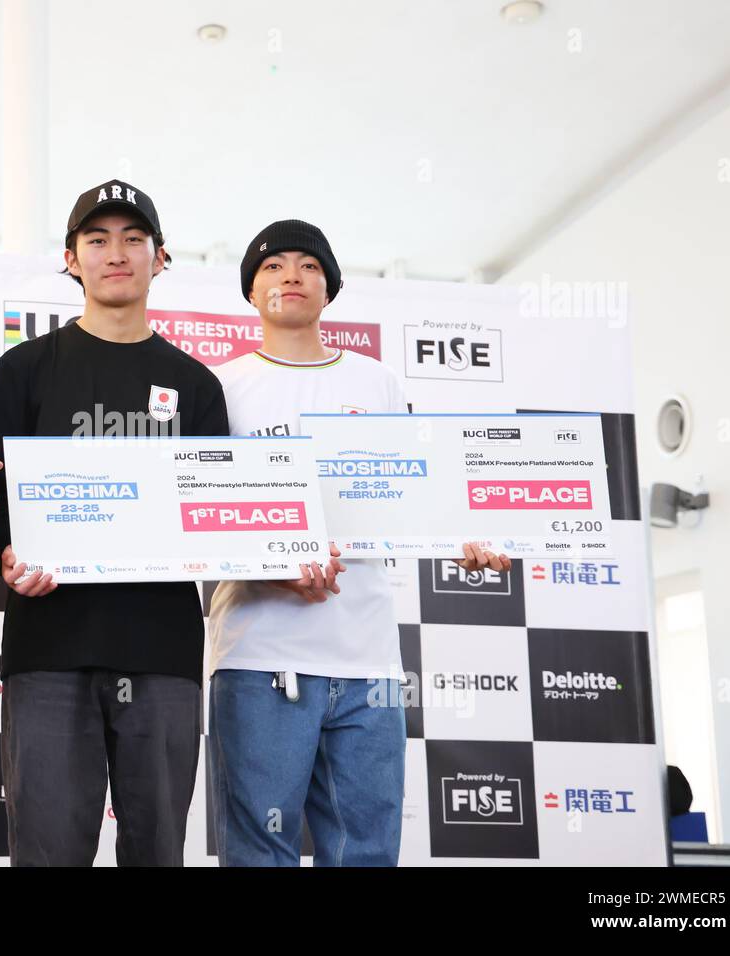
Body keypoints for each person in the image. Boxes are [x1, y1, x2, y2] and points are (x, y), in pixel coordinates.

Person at [207, 219, 511, 866]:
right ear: (249, 288)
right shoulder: (220, 386)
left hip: (367, 661)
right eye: (273, 265)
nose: (291, 275)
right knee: (259, 853)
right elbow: (201, 516)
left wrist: (466, 538)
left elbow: (416, 496)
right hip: (259, 656)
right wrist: (269, 572)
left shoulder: (379, 383)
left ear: (331, 287)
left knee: (366, 852)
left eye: (309, 264)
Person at [0, 180, 229, 866]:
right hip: (49, 650)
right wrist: (4, 557)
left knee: (156, 853)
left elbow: (214, 517)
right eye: (97, 240)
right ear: (70, 259)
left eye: (132, 239)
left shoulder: (197, 386)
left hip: (162, 654)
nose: (115, 254)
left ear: (160, 258)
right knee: (49, 853)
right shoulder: (24, 368)